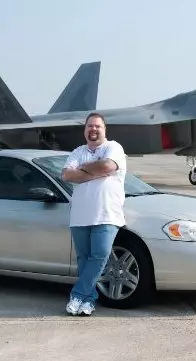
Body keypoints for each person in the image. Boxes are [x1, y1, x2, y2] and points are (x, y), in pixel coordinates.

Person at [62, 112, 126, 316]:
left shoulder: (113, 147)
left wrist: (81, 172)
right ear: (85, 130)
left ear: (104, 129)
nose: (93, 129)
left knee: (100, 255)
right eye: (90, 126)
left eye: (97, 126)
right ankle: (89, 300)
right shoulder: (77, 151)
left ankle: (78, 294)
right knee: (84, 259)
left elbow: (108, 165)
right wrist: (93, 171)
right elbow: (66, 175)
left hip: (107, 214)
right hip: (80, 215)